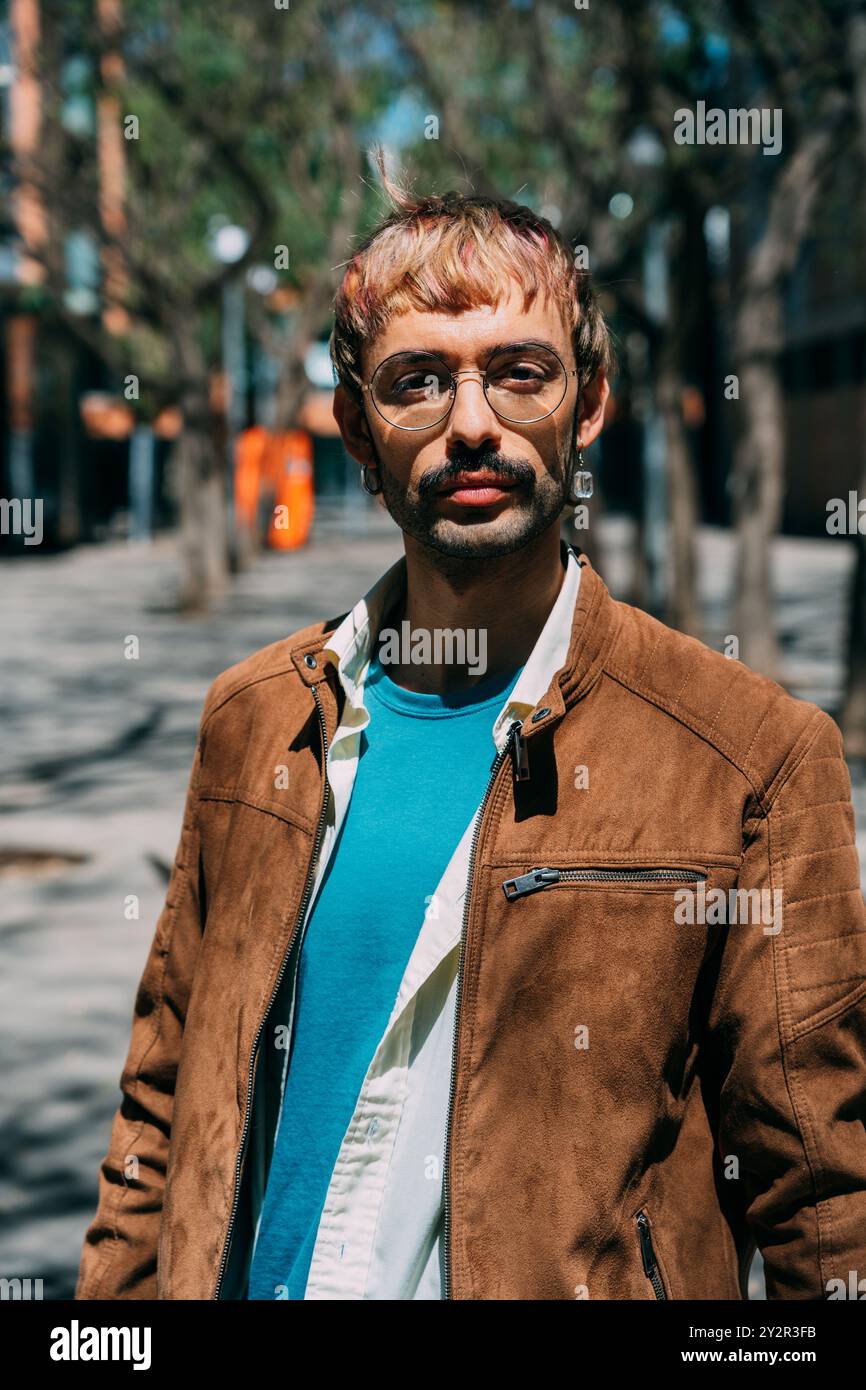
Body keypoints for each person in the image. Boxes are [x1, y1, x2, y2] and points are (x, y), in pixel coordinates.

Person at [75, 150, 866, 1301]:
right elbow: (159, 1107)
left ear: (586, 405)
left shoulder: (749, 755)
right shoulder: (255, 725)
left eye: (518, 373)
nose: (471, 425)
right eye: (417, 382)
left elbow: (825, 1206)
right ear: (357, 426)